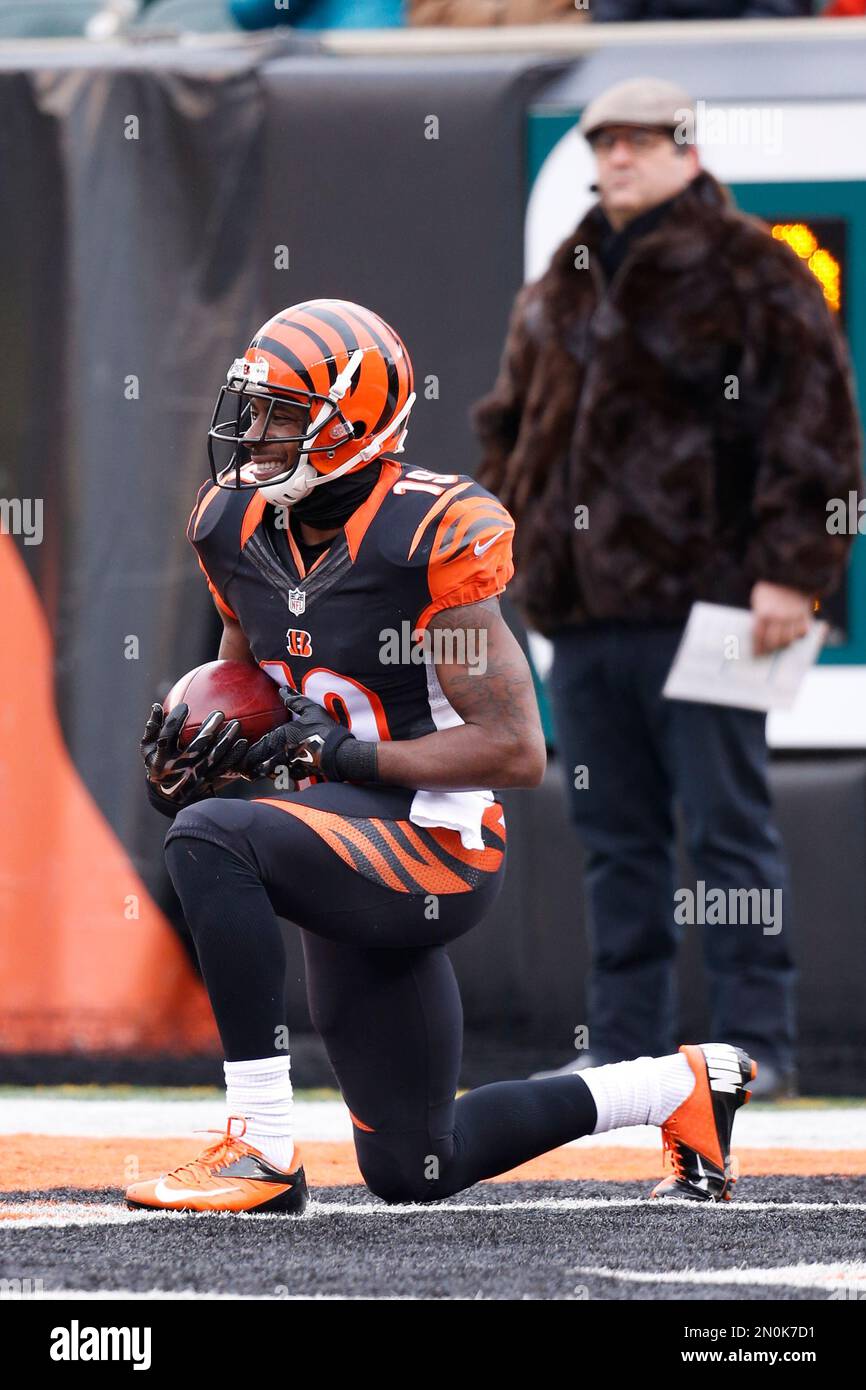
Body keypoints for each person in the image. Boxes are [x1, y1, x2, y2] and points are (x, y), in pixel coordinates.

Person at [129, 297, 756, 1214]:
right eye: (252, 408)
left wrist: (343, 761)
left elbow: (514, 748)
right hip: (345, 835)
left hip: (438, 840)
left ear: (352, 424)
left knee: (213, 839)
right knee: (417, 1166)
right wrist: (201, 760)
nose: (255, 434)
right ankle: (680, 1085)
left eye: (283, 414)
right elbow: (249, 695)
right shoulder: (233, 525)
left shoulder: (425, 536)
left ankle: (258, 1145)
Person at [474, 79, 862, 1100]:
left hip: (718, 607)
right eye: (605, 143)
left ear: (686, 153)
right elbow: (507, 421)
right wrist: (517, 532)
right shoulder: (561, 280)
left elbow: (815, 424)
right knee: (616, 839)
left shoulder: (754, 269)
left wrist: (790, 573)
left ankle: (753, 1043)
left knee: (729, 830)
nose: (617, 159)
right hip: (583, 615)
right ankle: (625, 1047)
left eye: (641, 143)